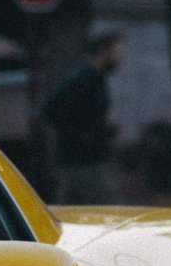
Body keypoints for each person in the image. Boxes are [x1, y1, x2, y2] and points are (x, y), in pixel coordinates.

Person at [39, 31, 125, 204]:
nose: (121, 58)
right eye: (117, 52)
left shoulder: (96, 79)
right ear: (103, 51)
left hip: (83, 160)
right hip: (82, 162)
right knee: (112, 208)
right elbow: (50, 110)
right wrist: (84, 135)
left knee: (71, 208)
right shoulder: (83, 79)